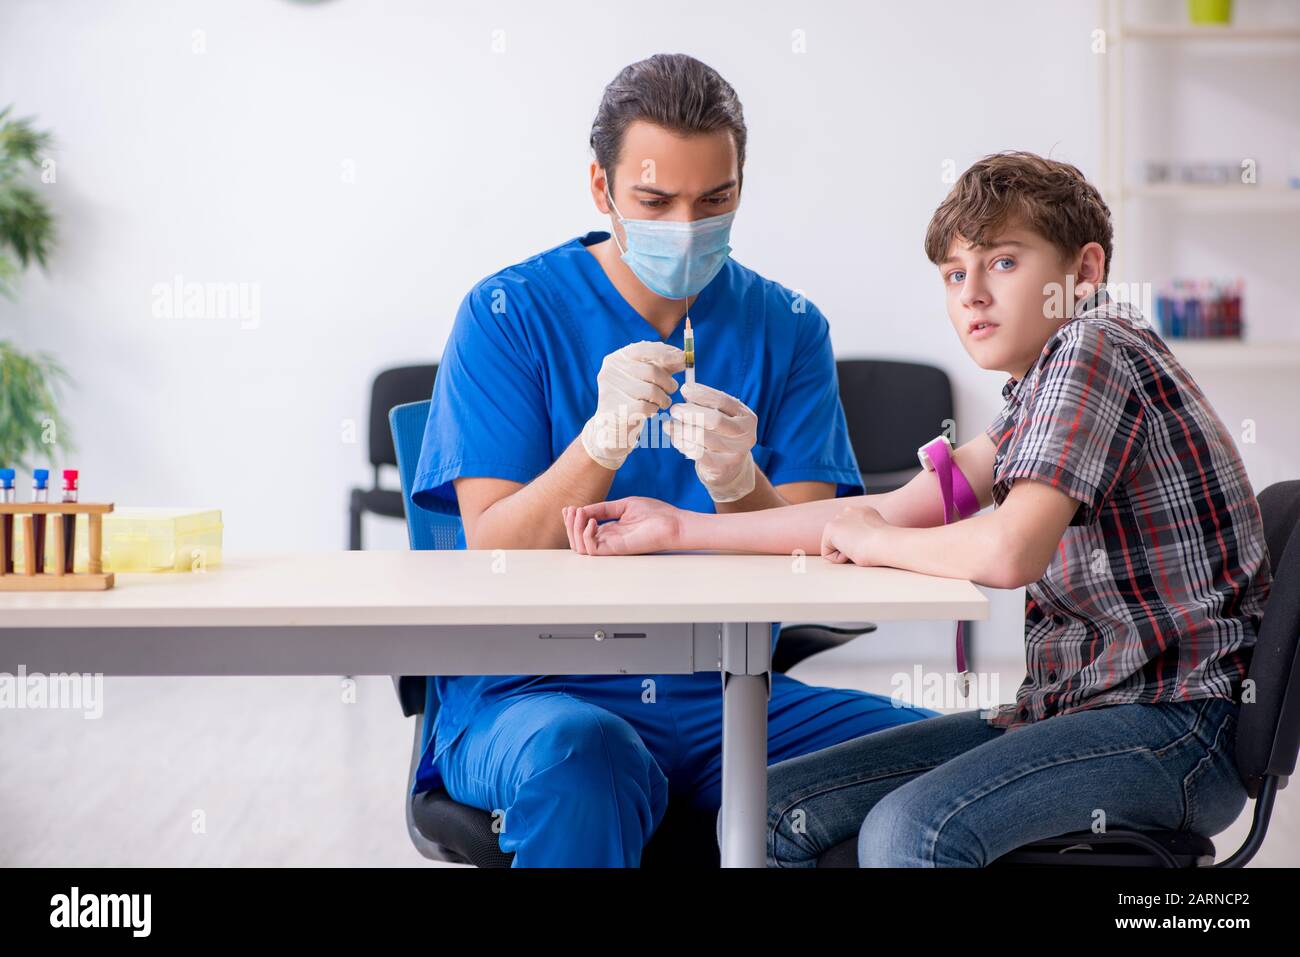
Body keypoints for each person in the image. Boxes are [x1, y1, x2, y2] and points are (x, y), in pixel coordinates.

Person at [567, 152, 1272, 866]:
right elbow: (901, 507)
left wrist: (875, 541)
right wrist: (682, 526)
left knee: (914, 831)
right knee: (771, 812)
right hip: (1080, 711)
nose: (973, 295)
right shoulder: (1038, 389)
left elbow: (1008, 551)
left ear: (1084, 271)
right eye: (954, 275)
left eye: (1002, 263)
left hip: (1177, 726)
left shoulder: (1093, 349)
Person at [409, 53, 936, 867]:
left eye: (714, 200)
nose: (687, 228)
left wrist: (739, 483)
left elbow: (820, 558)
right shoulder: (508, 314)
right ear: (601, 187)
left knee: (963, 758)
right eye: (656, 202)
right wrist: (600, 440)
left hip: (728, 695)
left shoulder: (789, 327)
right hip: (535, 696)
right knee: (584, 760)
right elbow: (495, 547)